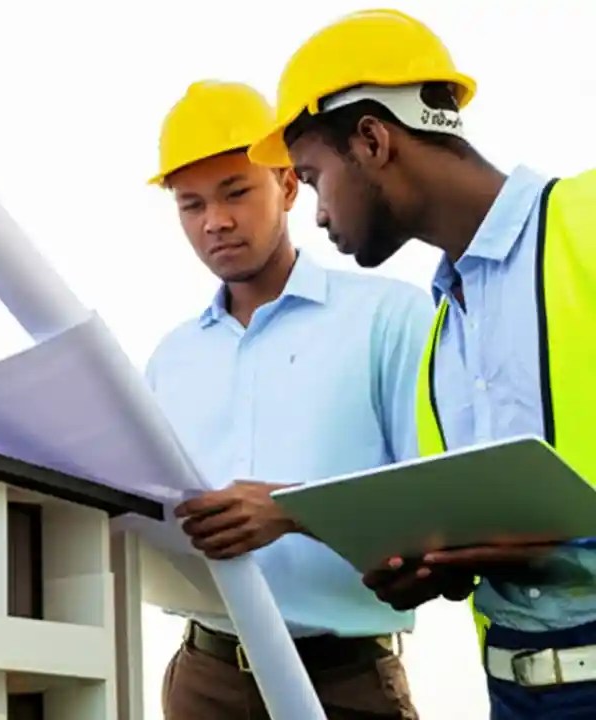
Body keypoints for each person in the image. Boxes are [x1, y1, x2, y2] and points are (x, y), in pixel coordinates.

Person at [246, 8, 596, 718]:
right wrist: (429, 570)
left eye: (312, 178)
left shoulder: (586, 219)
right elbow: (477, 539)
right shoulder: (441, 336)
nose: (314, 214)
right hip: (518, 691)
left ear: (372, 140)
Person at [145, 79, 433, 720]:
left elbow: (435, 503)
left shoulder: (390, 319)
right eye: (190, 205)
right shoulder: (170, 359)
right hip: (204, 680)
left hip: (346, 683)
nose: (214, 221)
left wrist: (293, 509)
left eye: (236, 192)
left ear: (289, 185)